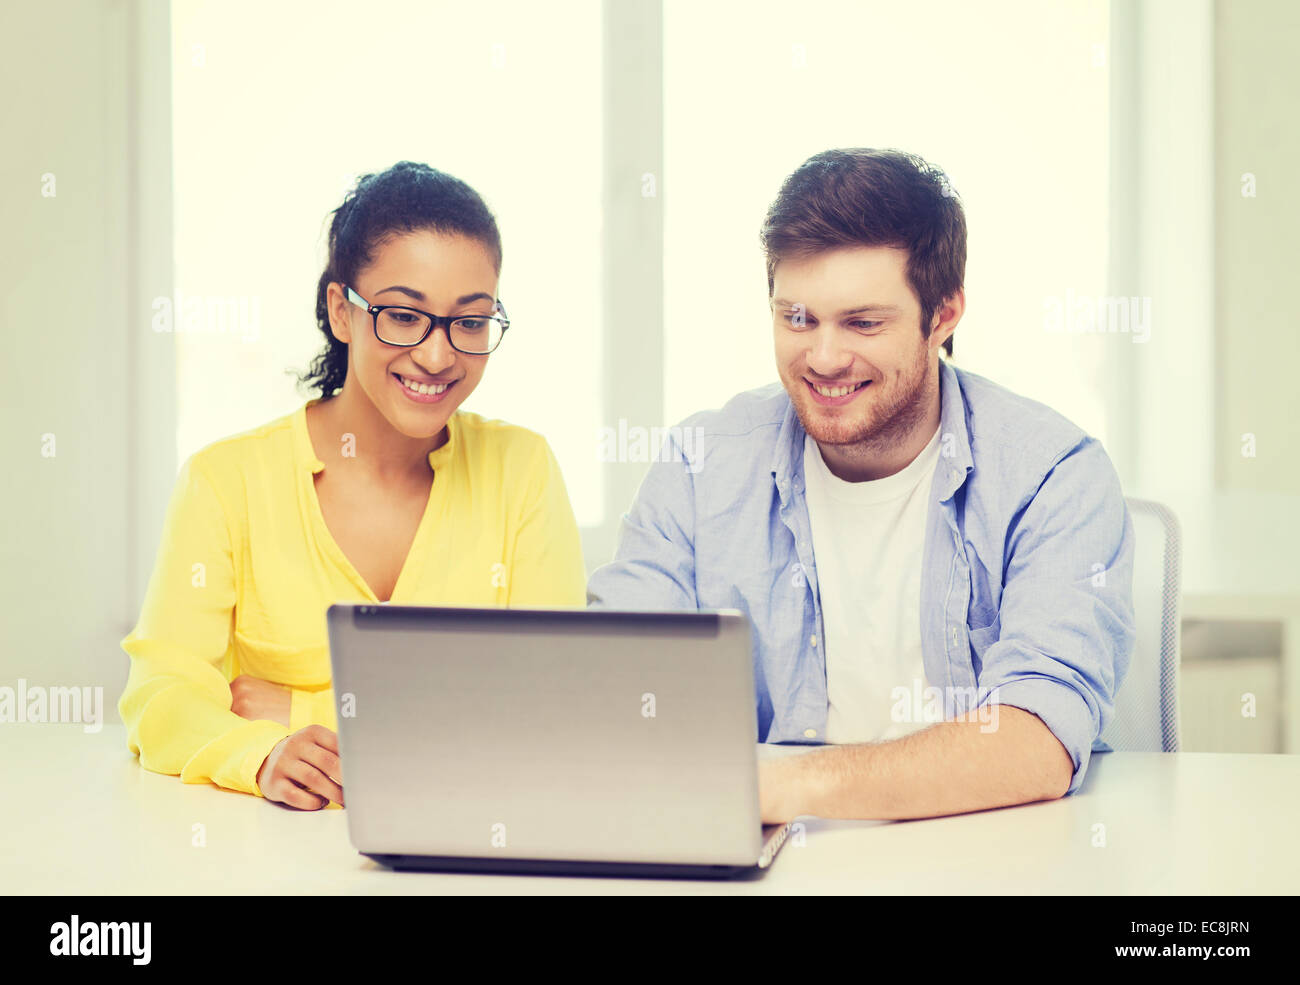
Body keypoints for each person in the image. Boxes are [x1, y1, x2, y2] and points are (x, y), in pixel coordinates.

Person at [586, 148, 1135, 823]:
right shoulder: (699, 467)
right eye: (798, 318)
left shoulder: (1054, 473)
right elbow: (617, 695)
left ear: (944, 314)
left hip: (989, 848)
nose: (822, 358)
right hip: (767, 859)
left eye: (862, 323)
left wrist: (777, 788)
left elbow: (1037, 741)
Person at [118, 162, 586, 810]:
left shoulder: (523, 471)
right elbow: (161, 695)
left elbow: (549, 712)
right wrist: (262, 756)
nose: (437, 354)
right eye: (403, 315)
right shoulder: (222, 484)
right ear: (342, 310)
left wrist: (301, 711)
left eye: (470, 322)